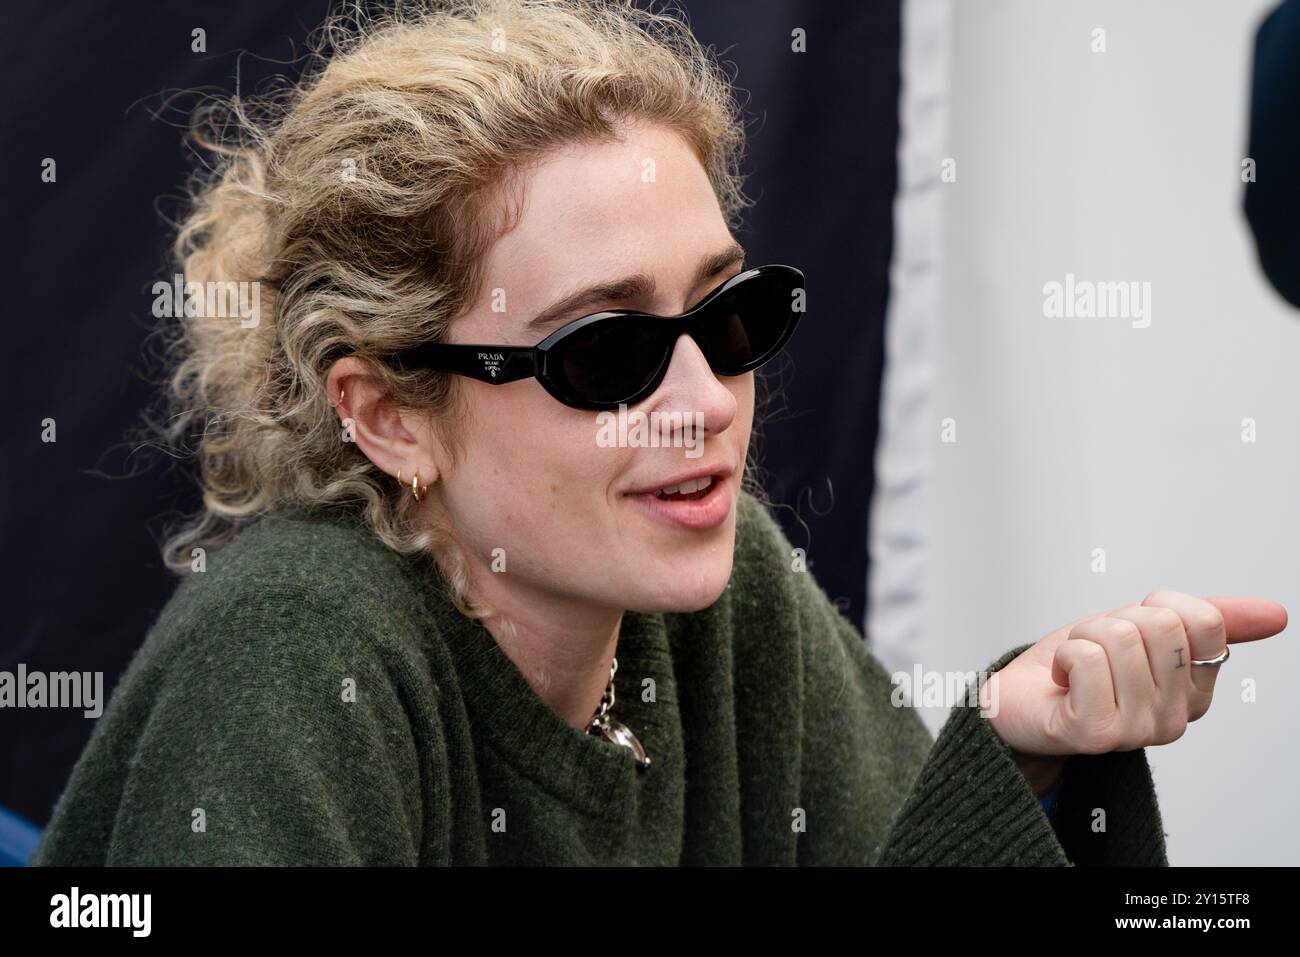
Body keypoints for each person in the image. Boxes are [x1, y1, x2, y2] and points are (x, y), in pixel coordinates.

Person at [32, 0, 1286, 866]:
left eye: (726, 315)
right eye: (607, 352)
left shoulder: (720, 587)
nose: (706, 401)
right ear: (388, 413)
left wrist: (1024, 750)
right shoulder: (295, 654)